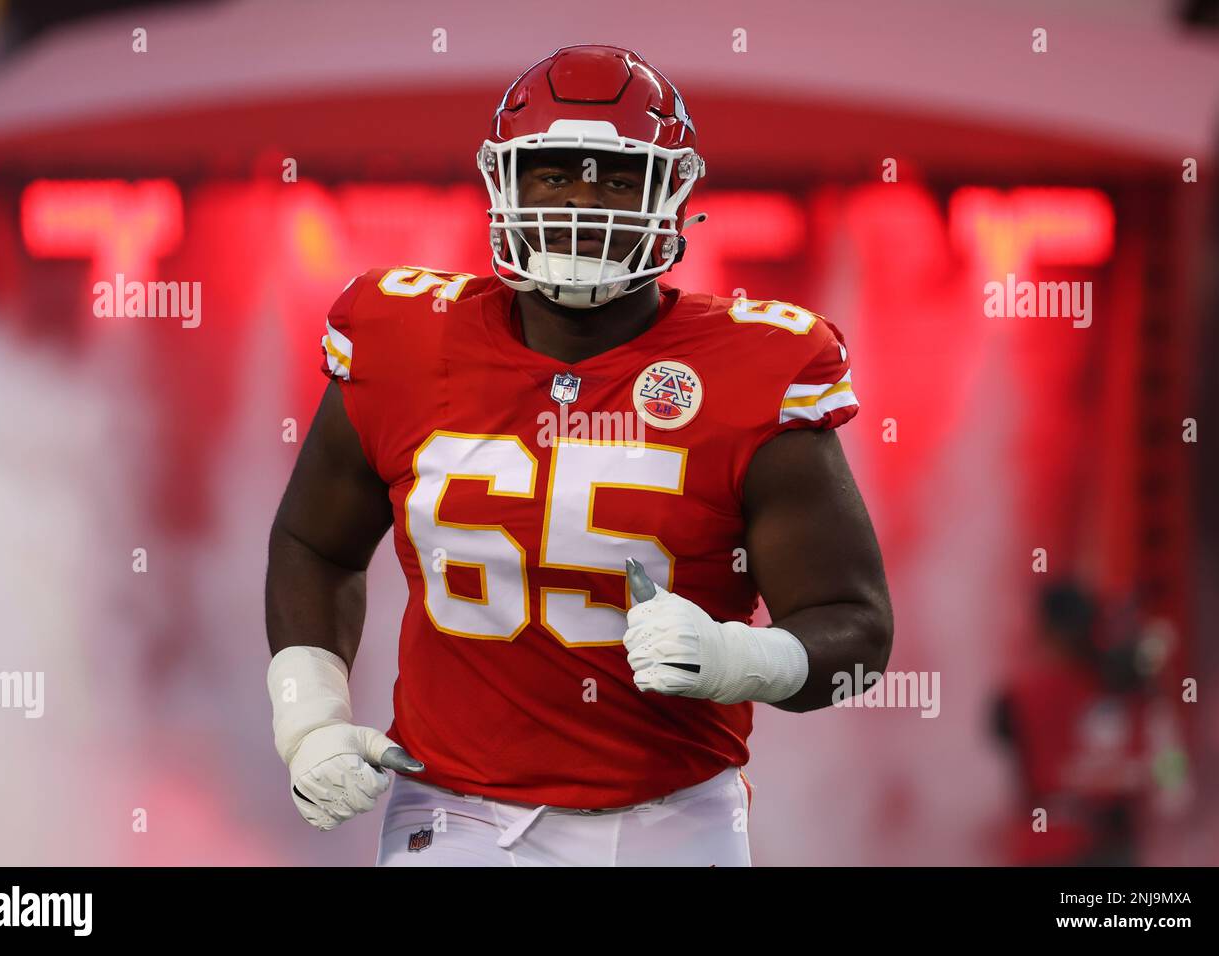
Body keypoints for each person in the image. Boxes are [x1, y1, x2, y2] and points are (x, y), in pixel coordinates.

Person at [265, 44, 892, 866]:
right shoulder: (400, 336)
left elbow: (857, 629)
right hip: (451, 813)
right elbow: (315, 543)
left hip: (671, 818)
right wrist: (307, 718)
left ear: (673, 193)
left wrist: (742, 659)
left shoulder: (758, 367)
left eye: (616, 176)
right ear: (505, 183)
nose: (583, 200)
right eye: (555, 172)